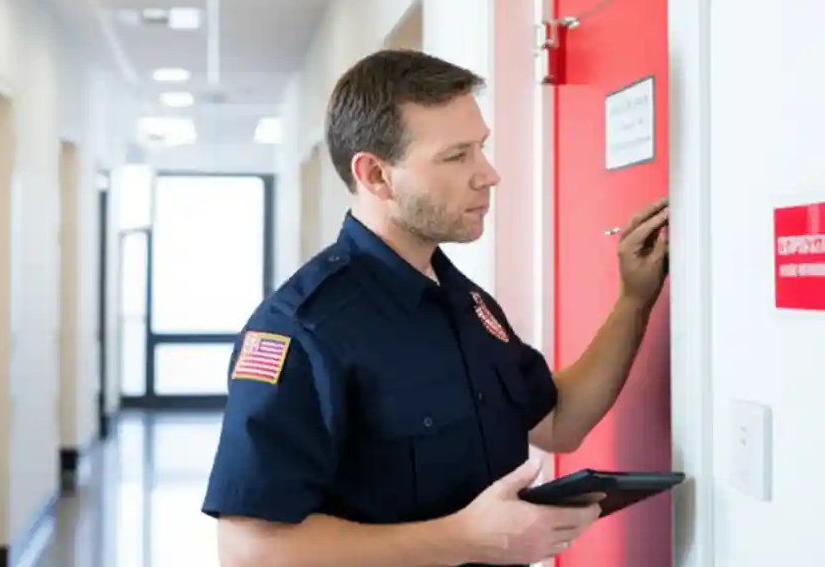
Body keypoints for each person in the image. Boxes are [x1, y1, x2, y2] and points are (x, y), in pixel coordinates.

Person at [201, 49, 670, 567]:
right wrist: (465, 539)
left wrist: (634, 299)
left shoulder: (465, 301)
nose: (488, 175)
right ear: (377, 176)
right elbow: (249, 551)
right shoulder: (300, 328)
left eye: (481, 148)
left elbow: (559, 421)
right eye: (456, 156)